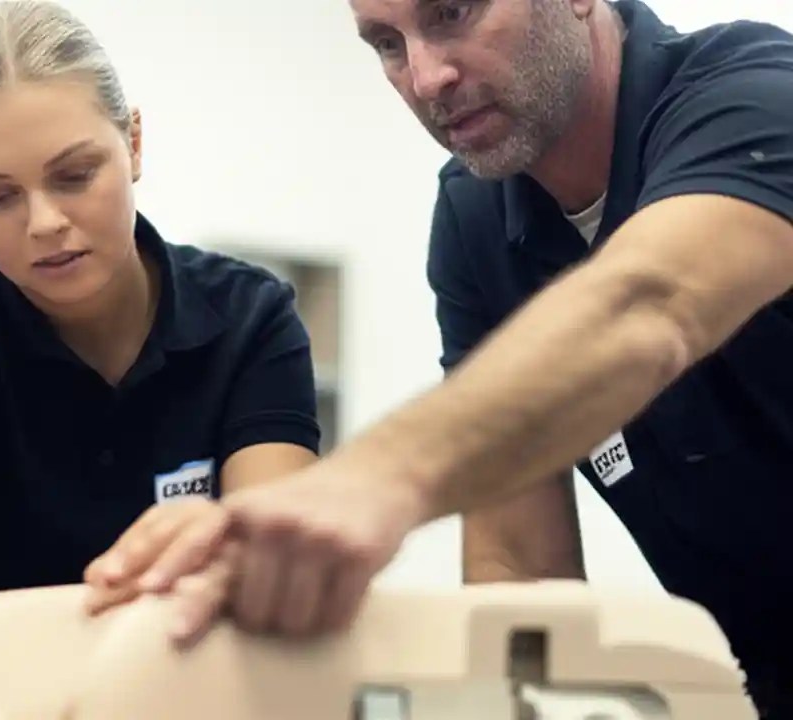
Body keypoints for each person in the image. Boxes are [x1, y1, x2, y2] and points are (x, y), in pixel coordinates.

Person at [84, 0, 793, 715]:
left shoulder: (759, 95)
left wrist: (368, 482)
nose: (426, 78)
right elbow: (518, 567)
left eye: (452, 13)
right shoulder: (476, 217)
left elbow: (650, 303)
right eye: (388, 44)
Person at [0, 0, 322, 638]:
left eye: (75, 176)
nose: (45, 222)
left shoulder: (251, 321)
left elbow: (262, 577)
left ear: (132, 143)